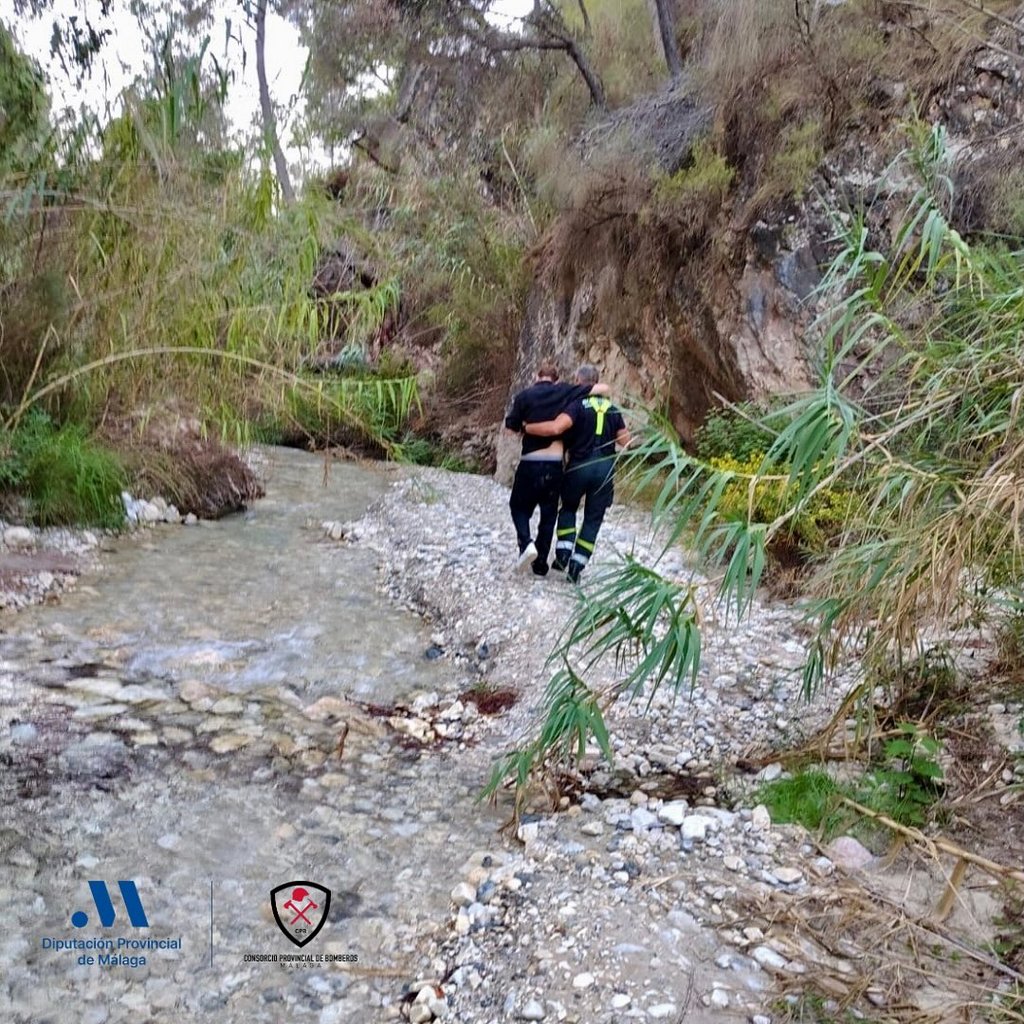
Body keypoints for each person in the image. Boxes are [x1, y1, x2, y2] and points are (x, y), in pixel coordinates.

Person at [523, 364, 630, 583]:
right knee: (593, 519)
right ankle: (576, 566)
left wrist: (528, 428)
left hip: (579, 466)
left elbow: (556, 428)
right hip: (605, 469)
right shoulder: (613, 409)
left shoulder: (576, 405)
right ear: (597, 380)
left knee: (569, 508)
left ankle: (562, 555)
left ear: (579, 382)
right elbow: (625, 442)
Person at [504, 361, 608, 576]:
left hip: (531, 462)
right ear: (557, 379)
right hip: (555, 465)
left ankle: (526, 543)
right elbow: (602, 389)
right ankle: (541, 562)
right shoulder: (565, 393)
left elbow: (510, 428)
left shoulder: (524, 396)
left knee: (518, 507)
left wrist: (526, 427)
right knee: (549, 514)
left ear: (536, 376)